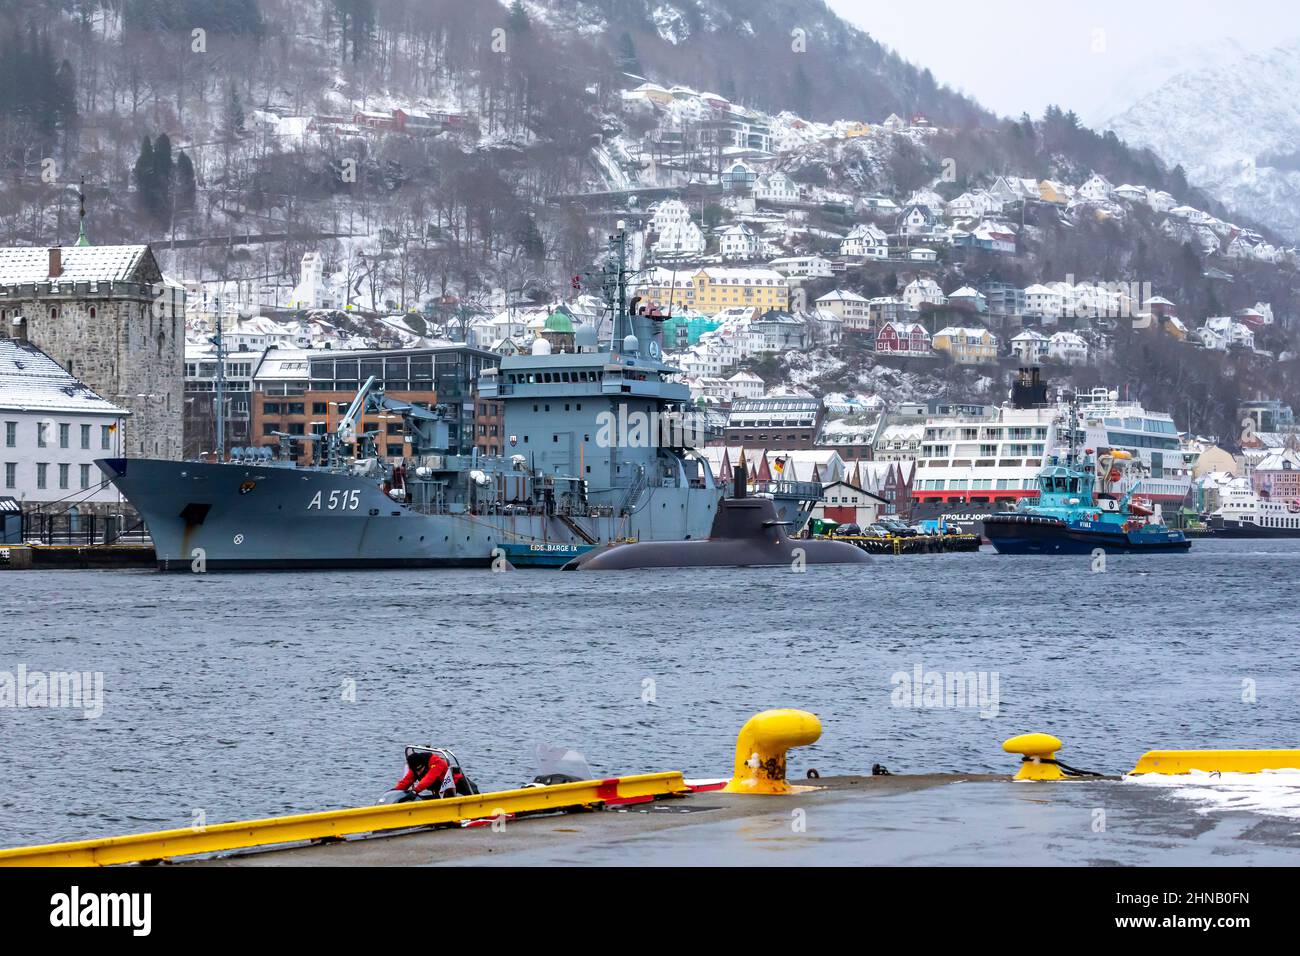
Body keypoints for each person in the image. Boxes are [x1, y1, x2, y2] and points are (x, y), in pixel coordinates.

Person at [391, 746, 478, 799]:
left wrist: (415, 791)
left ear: (423, 764)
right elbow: (406, 781)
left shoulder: (437, 762)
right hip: (442, 790)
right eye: (415, 771)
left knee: (473, 792)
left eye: (419, 769)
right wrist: (394, 792)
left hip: (457, 783)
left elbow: (429, 779)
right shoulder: (415, 767)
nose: (417, 773)